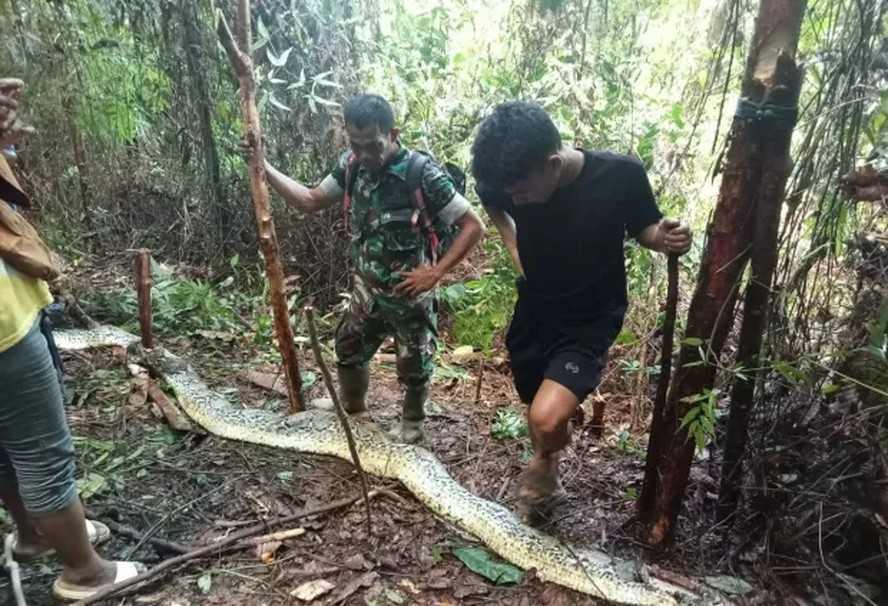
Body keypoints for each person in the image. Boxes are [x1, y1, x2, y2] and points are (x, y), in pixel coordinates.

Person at [471, 101, 692, 524]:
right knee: (535, 404)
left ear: (552, 164)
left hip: (590, 315)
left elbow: (645, 226)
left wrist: (663, 237)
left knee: (546, 417)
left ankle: (545, 459)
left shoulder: (620, 175)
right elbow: (494, 203)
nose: (515, 199)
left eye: (521, 192)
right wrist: (513, 243)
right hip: (535, 309)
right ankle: (548, 455)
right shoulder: (508, 181)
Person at [243, 94, 485, 443]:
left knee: (413, 362)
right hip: (367, 288)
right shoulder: (352, 164)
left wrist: (434, 273)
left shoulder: (422, 173)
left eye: (373, 145)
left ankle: (413, 422)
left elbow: (473, 225)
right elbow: (310, 200)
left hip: (409, 292)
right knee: (348, 346)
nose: (366, 154)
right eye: (357, 145)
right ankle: (352, 406)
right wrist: (262, 165)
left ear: (393, 133)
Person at [0, 78, 144, 601]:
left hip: (11, 312)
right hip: (2, 329)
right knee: (42, 453)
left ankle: (36, 536)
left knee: (6, 447)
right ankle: (84, 574)